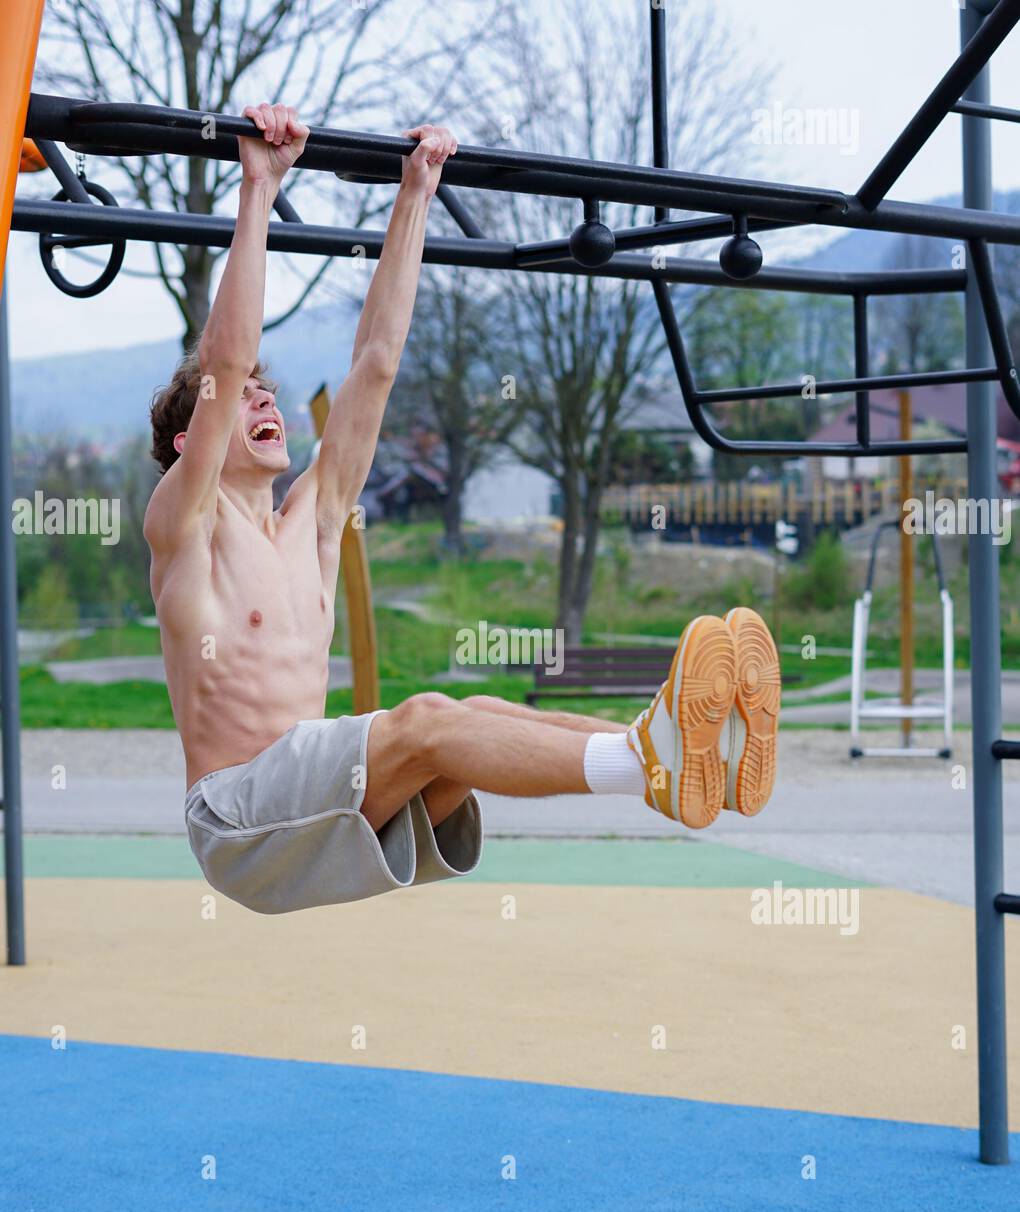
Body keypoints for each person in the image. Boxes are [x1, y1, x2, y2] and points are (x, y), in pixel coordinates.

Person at [144, 102, 781, 915]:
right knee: (426, 719)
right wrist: (259, 187)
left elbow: (375, 364)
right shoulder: (186, 525)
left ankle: (694, 760)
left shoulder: (313, 517)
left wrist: (417, 191)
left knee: (468, 717)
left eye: (269, 392)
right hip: (239, 818)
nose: (261, 398)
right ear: (185, 443)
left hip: (310, 807)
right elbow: (225, 361)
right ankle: (650, 755)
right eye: (245, 400)